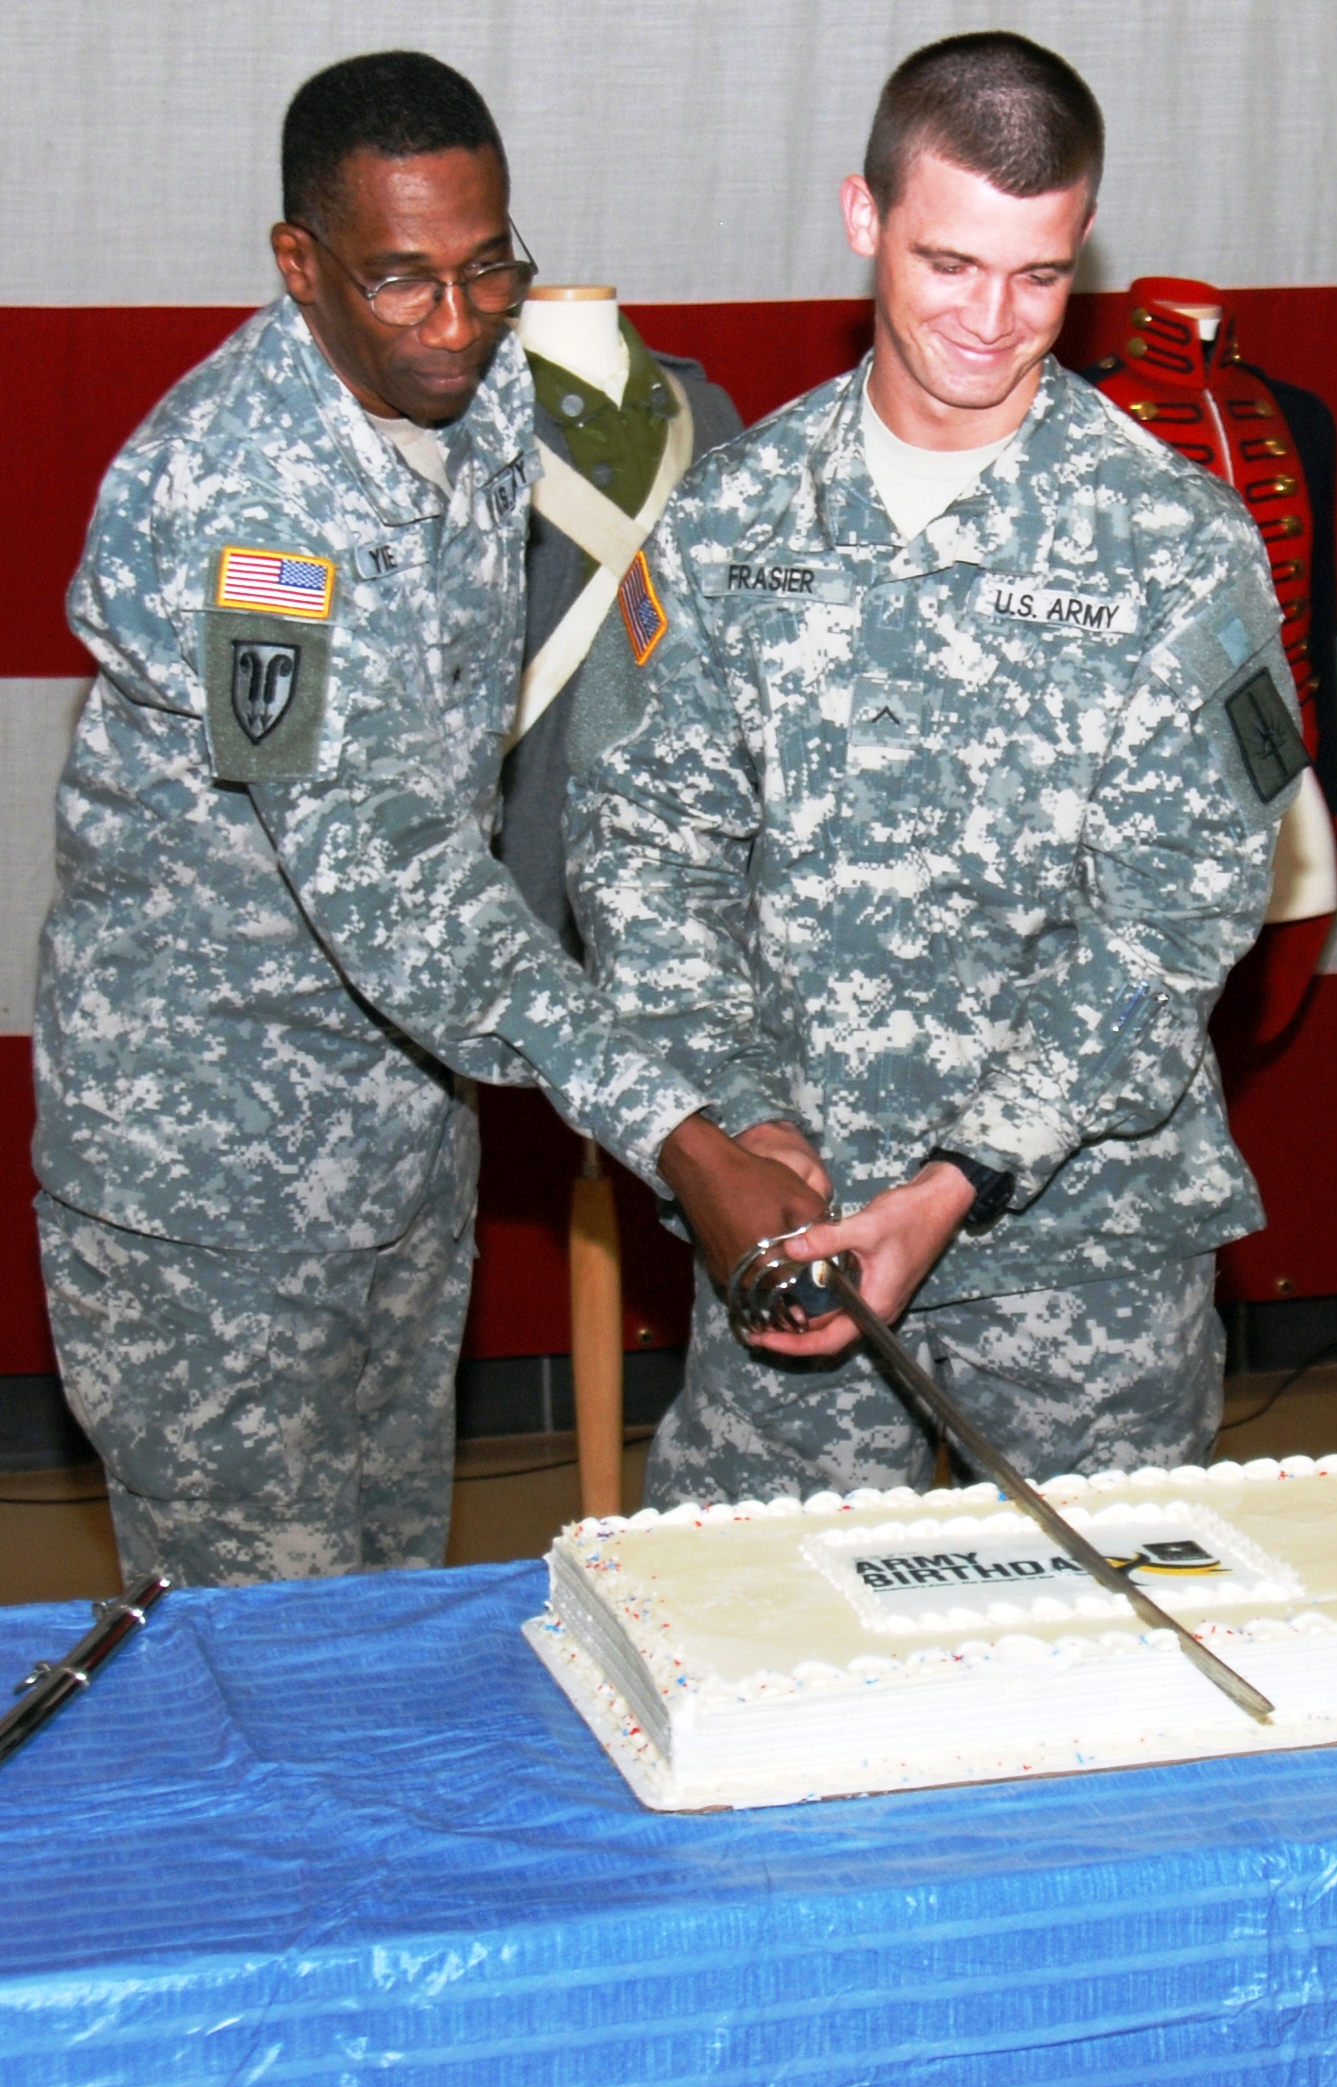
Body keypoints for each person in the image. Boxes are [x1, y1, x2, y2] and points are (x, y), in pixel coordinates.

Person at [33, 51, 822, 1589]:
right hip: (212, 1189)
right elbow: (390, 877)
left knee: (389, 1611)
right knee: (259, 1661)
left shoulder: (482, 372)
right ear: (300, 265)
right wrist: (677, 1131)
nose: (455, 325)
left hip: (399, 1137)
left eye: (487, 267)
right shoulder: (237, 507)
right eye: (401, 284)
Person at [565, 32, 1303, 1503]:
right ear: (864, 220)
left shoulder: (1172, 544)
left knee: (1091, 1682)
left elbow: (1177, 918)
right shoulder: (729, 522)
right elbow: (643, 847)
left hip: (1082, 1257)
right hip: (801, 1226)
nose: (992, 319)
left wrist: (963, 1176)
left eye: (1039, 277)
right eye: (950, 264)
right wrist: (746, 1126)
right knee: (761, 1652)